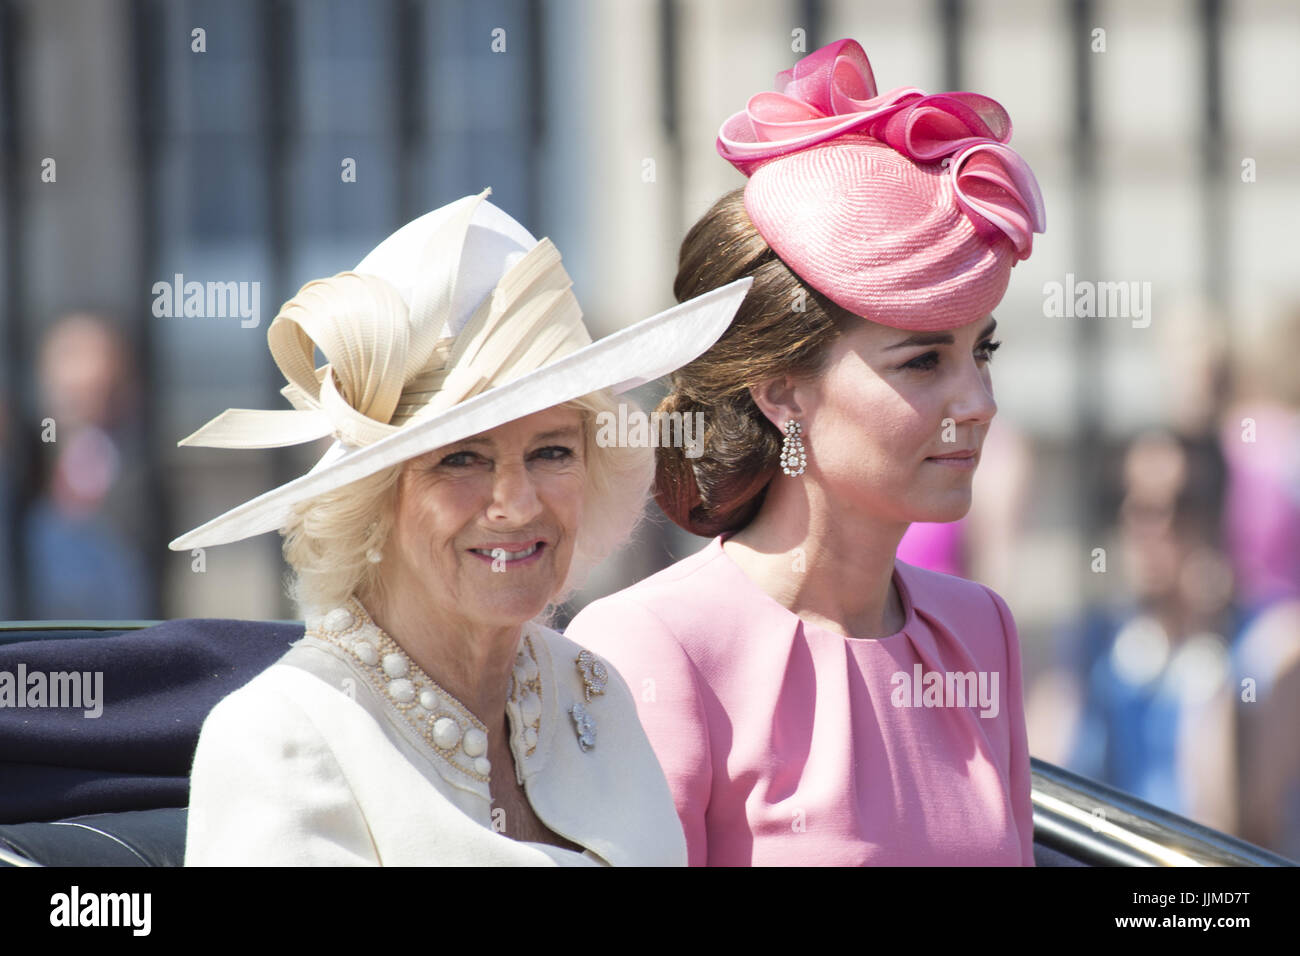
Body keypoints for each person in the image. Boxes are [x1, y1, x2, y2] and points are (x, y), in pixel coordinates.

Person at [565, 39, 1046, 865]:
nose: (979, 403)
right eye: (924, 361)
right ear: (782, 390)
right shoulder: (652, 645)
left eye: (983, 353)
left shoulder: (981, 630)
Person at [175, 189, 750, 865]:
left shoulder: (595, 690)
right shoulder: (281, 735)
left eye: (552, 452)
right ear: (375, 499)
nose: (517, 503)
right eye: (462, 459)